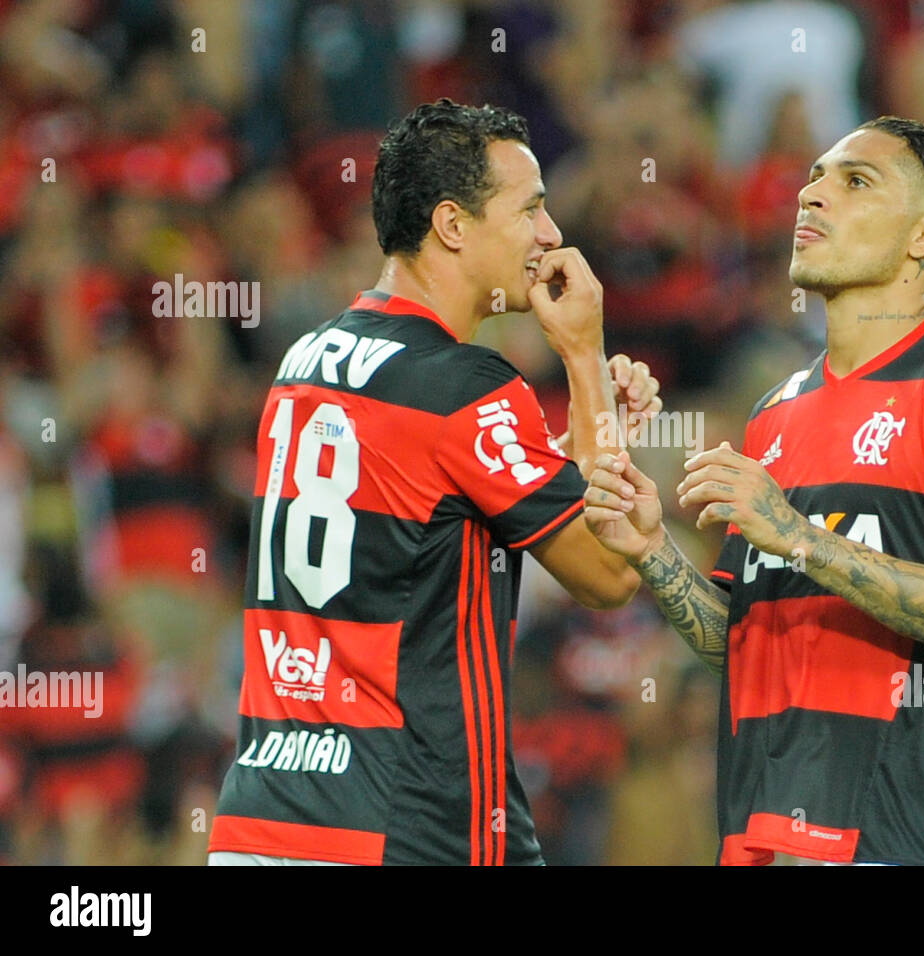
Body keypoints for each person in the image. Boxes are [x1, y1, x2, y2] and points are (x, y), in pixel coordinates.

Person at [584, 116, 924, 865]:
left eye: (854, 181)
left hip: (905, 841)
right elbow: (744, 645)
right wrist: (652, 549)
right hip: (765, 835)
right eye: (814, 176)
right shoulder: (776, 410)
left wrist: (797, 533)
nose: (812, 195)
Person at [207, 99, 660, 865]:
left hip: (265, 821)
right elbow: (609, 571)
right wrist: (584, 355)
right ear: (453, 225)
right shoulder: (466, 385)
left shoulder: (304, 362)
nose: (551, 236)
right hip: (413, 826)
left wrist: (575, 432)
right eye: (531, 210)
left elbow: (428, 503)